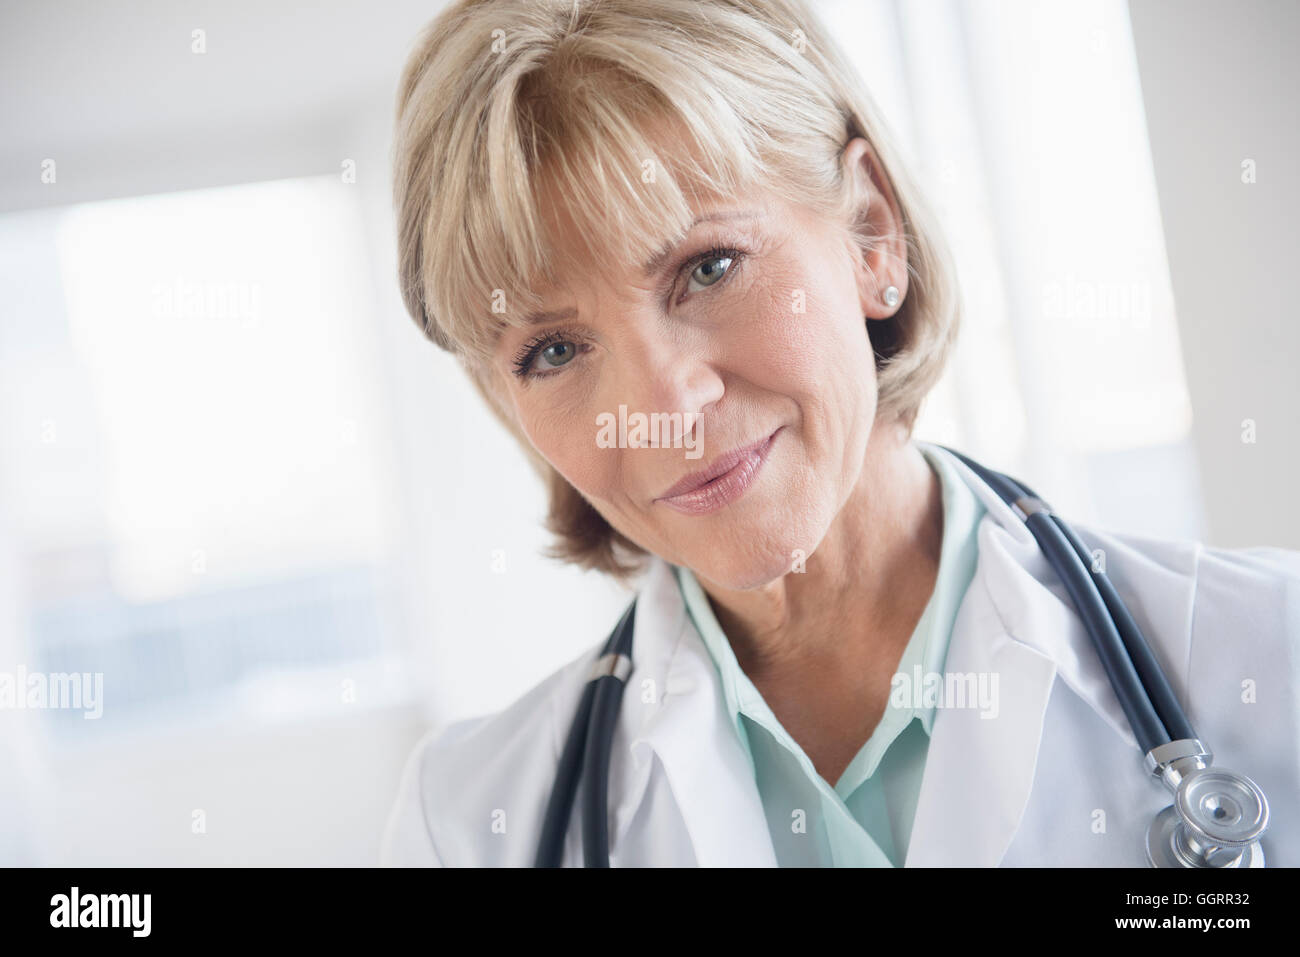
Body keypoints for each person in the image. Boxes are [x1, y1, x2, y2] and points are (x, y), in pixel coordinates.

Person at [380, 0, 1300, 866]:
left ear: (871, 235)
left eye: (709, 267)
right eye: (554, 349)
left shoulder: (1268, 654)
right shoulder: (468, 826)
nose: (664, 403)